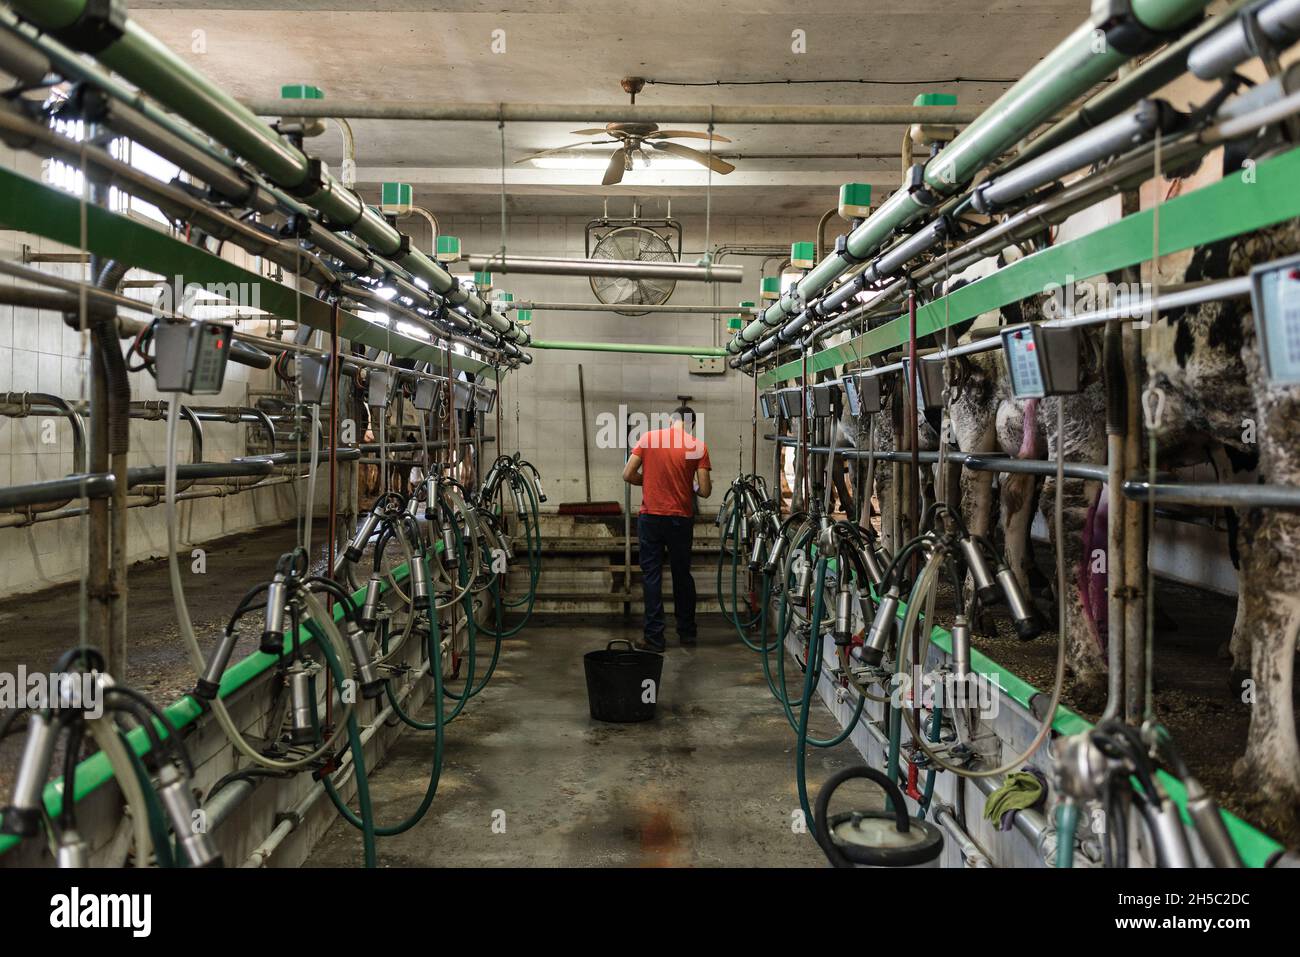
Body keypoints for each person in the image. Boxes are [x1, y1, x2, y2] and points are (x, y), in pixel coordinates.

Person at [621, 407, 711, 652]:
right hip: (680, 519)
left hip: (650, 517)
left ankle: (654, 638)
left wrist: (648, 480)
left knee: (652, 576)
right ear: (691, 424)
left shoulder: (648, 438)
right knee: (682, 575)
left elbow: (627, 474)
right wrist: (689, 485)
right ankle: (687, 633)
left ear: (671, 421)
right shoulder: (698, 446)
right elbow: (704, 490)